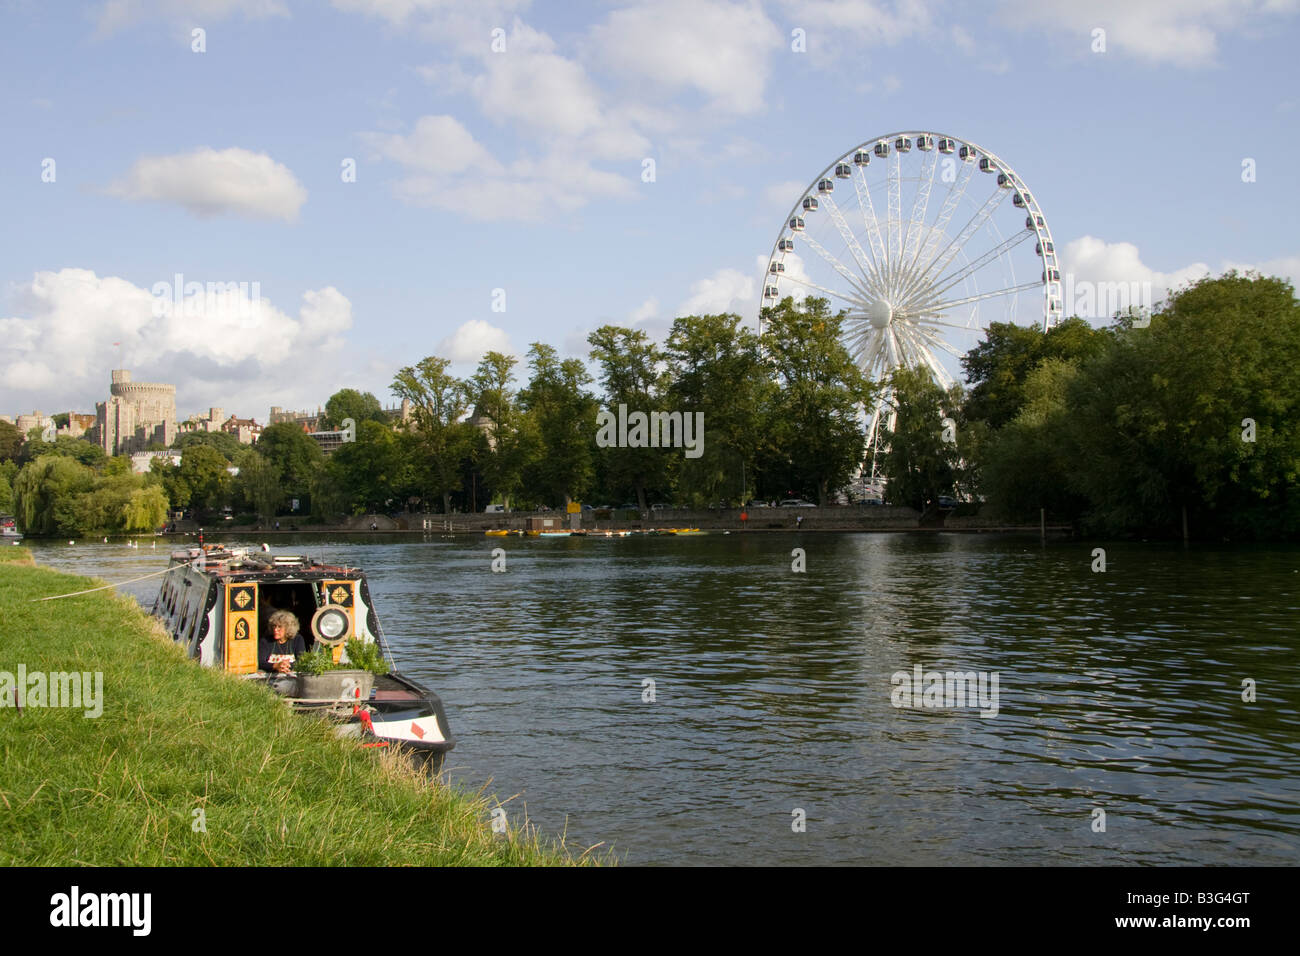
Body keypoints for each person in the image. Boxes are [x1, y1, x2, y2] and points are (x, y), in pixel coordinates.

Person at [259, 609, 307, 674]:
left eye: (279, 627)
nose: (276, 629)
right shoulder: (265, 641)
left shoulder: (297, 639)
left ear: (288, 628)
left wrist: (286, 666)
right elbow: (260, 662)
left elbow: (302, 660)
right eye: (274, 626)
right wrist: (275, 666)